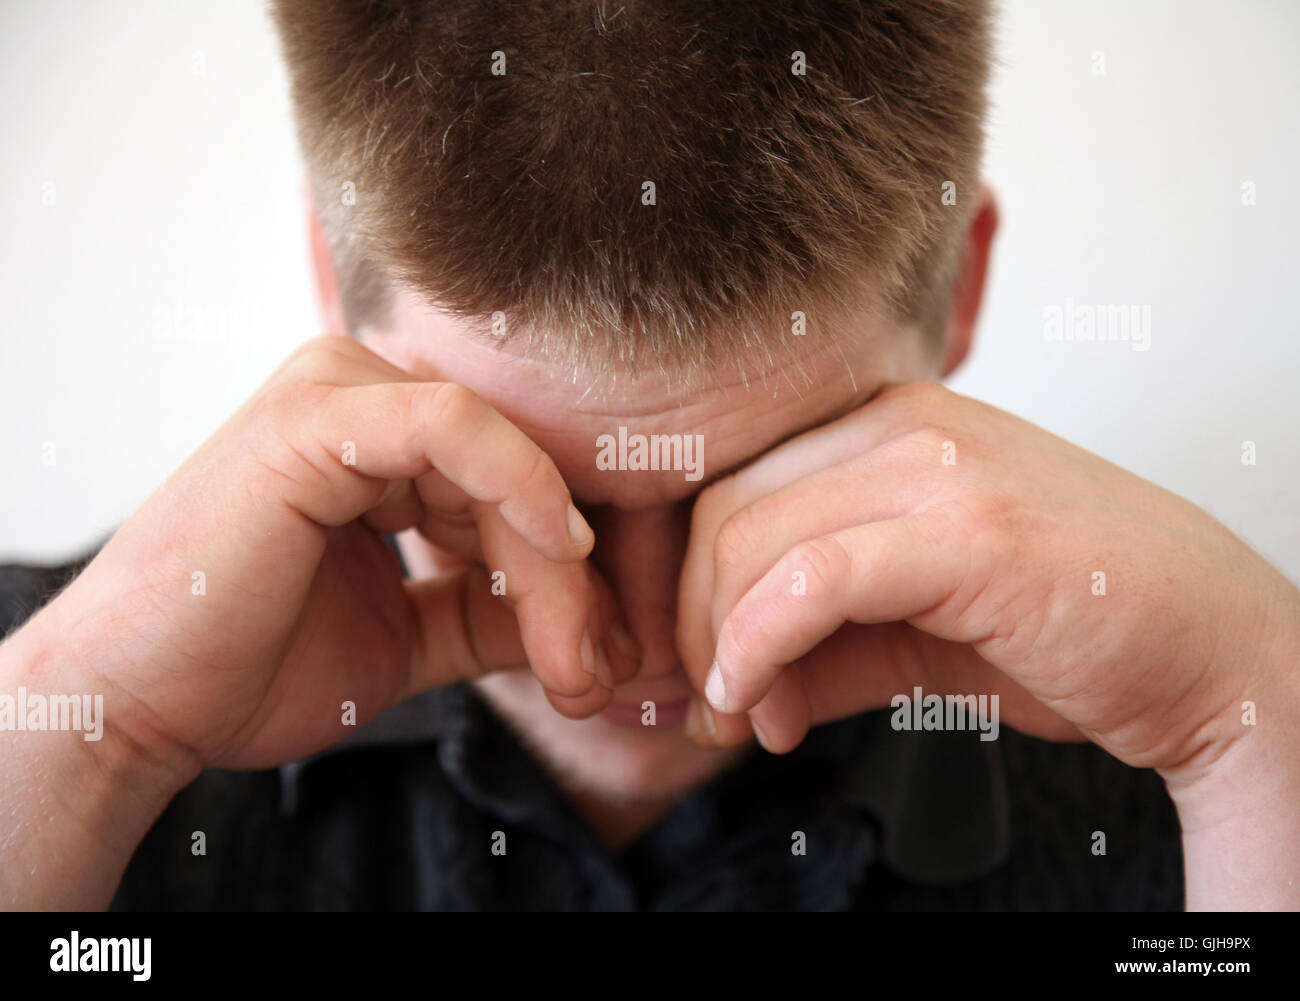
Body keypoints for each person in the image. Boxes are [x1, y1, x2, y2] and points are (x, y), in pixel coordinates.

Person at [1, 0, 1296, 911]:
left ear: (958, 285)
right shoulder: (43, 700)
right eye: (515, 482)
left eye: (772, 473)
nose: (634, 649)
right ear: (332, 289)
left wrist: (1260, 725)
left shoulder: (1171, 742)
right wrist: (95, 739)